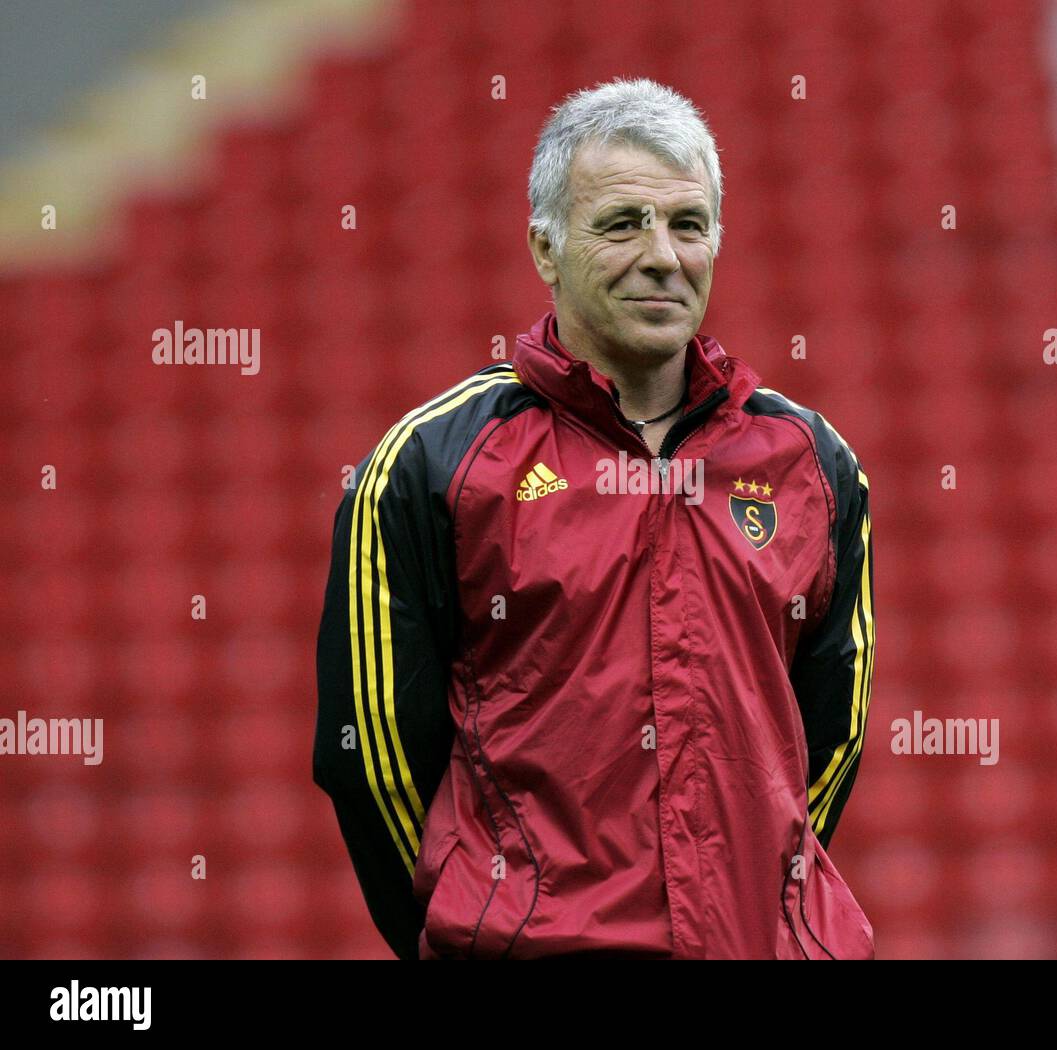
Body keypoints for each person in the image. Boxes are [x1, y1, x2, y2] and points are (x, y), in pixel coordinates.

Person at [313, 77, 876, 960]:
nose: (663, 255)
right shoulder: (430, 465)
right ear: (546, 247)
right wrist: (482, 929)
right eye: (622, 224)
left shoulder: (814, 463)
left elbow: (828, 738)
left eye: (689, 224)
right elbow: (372, 757)